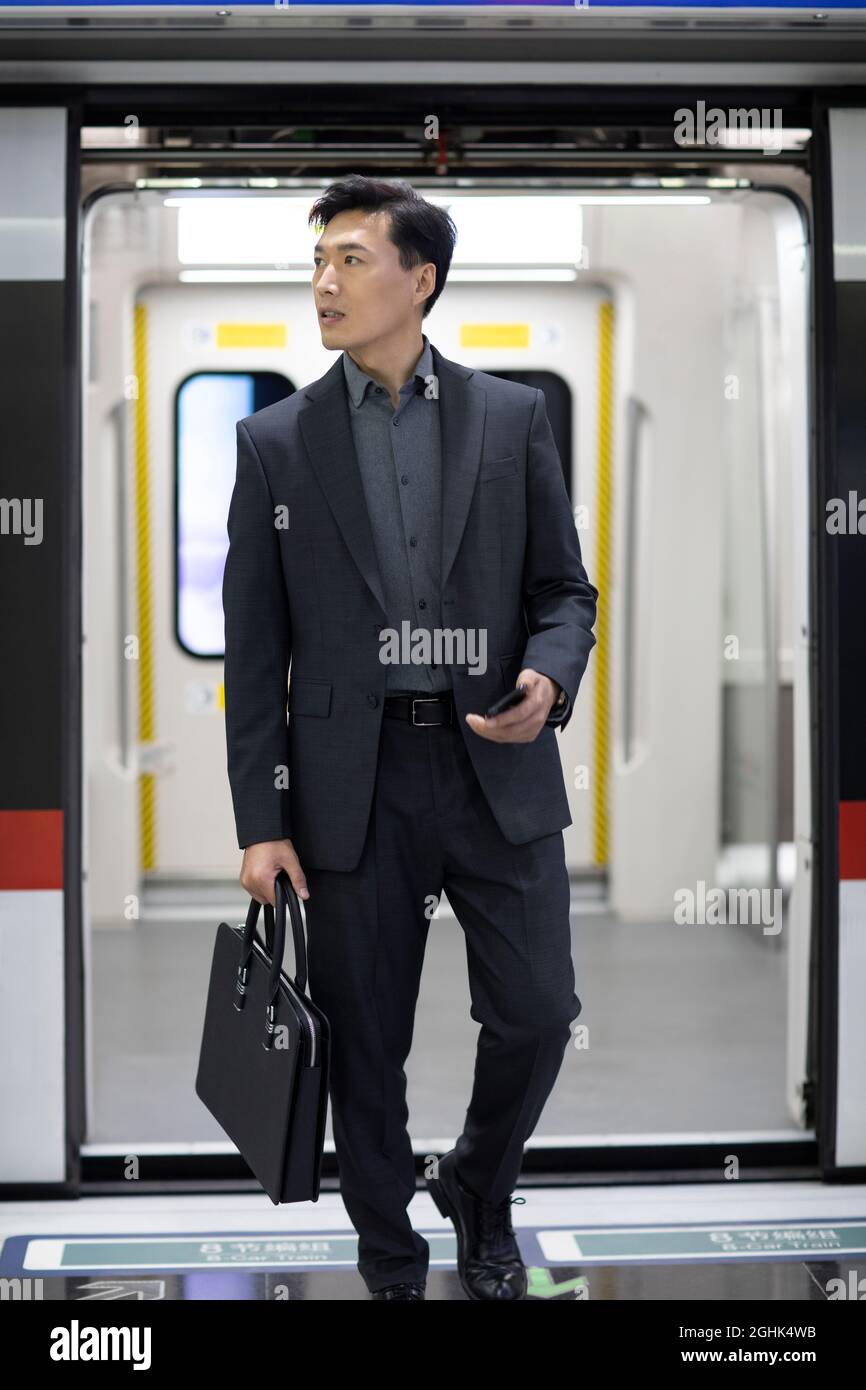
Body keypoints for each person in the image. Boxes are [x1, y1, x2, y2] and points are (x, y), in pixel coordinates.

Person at [222, 174, 598, 1300]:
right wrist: (260, 822)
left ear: (418, 279)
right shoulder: (274, 444)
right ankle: (390, 1256)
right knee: (364, 1044)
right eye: (318, 263)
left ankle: (480, 1186)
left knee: (538, 1011)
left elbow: (563, 592)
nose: (325, 283)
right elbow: (253, 656)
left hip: (494, 764)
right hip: (353, 781)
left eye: (350, 259)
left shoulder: (510, 419)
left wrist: (547, 672)